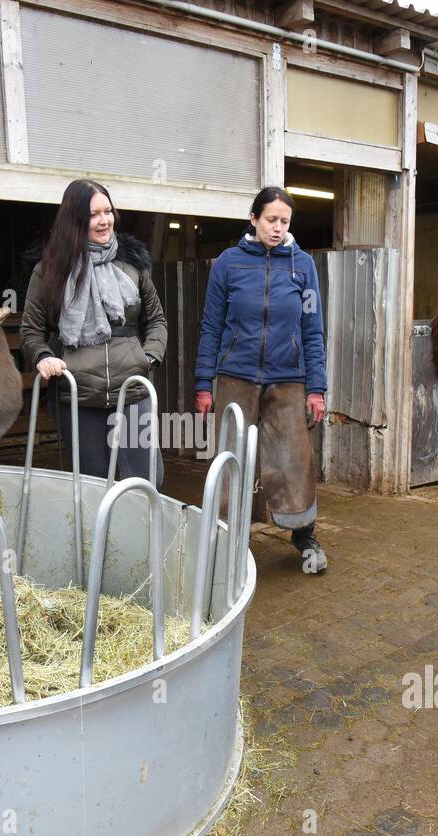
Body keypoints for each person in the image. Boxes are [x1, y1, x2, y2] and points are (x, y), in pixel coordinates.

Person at [195, 186, 327, 572]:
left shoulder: (302, 266)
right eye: (271, 219)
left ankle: (304, 536)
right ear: (253, 219)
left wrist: (316, 387)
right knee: (230, 457)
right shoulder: (228, 264)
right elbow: (211, 327)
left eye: (284, 221)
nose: (277, 227)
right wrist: (204, 382)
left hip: (288, 378)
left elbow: (312, 329)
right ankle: (224, 538)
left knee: (293, 459)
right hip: (235, 375)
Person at [20, 179, 167, 485]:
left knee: (145, 479)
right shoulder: (49, 271)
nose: (105, 221)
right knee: (93, 485)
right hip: (78, 395)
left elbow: (156, 320)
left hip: (132, 390)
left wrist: (148, 357)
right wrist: (44, 356)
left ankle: (137, 535)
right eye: (94, 215)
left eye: (108, 211)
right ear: (75, 220)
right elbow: (31, 331)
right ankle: (99, 535)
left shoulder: (133, 265)